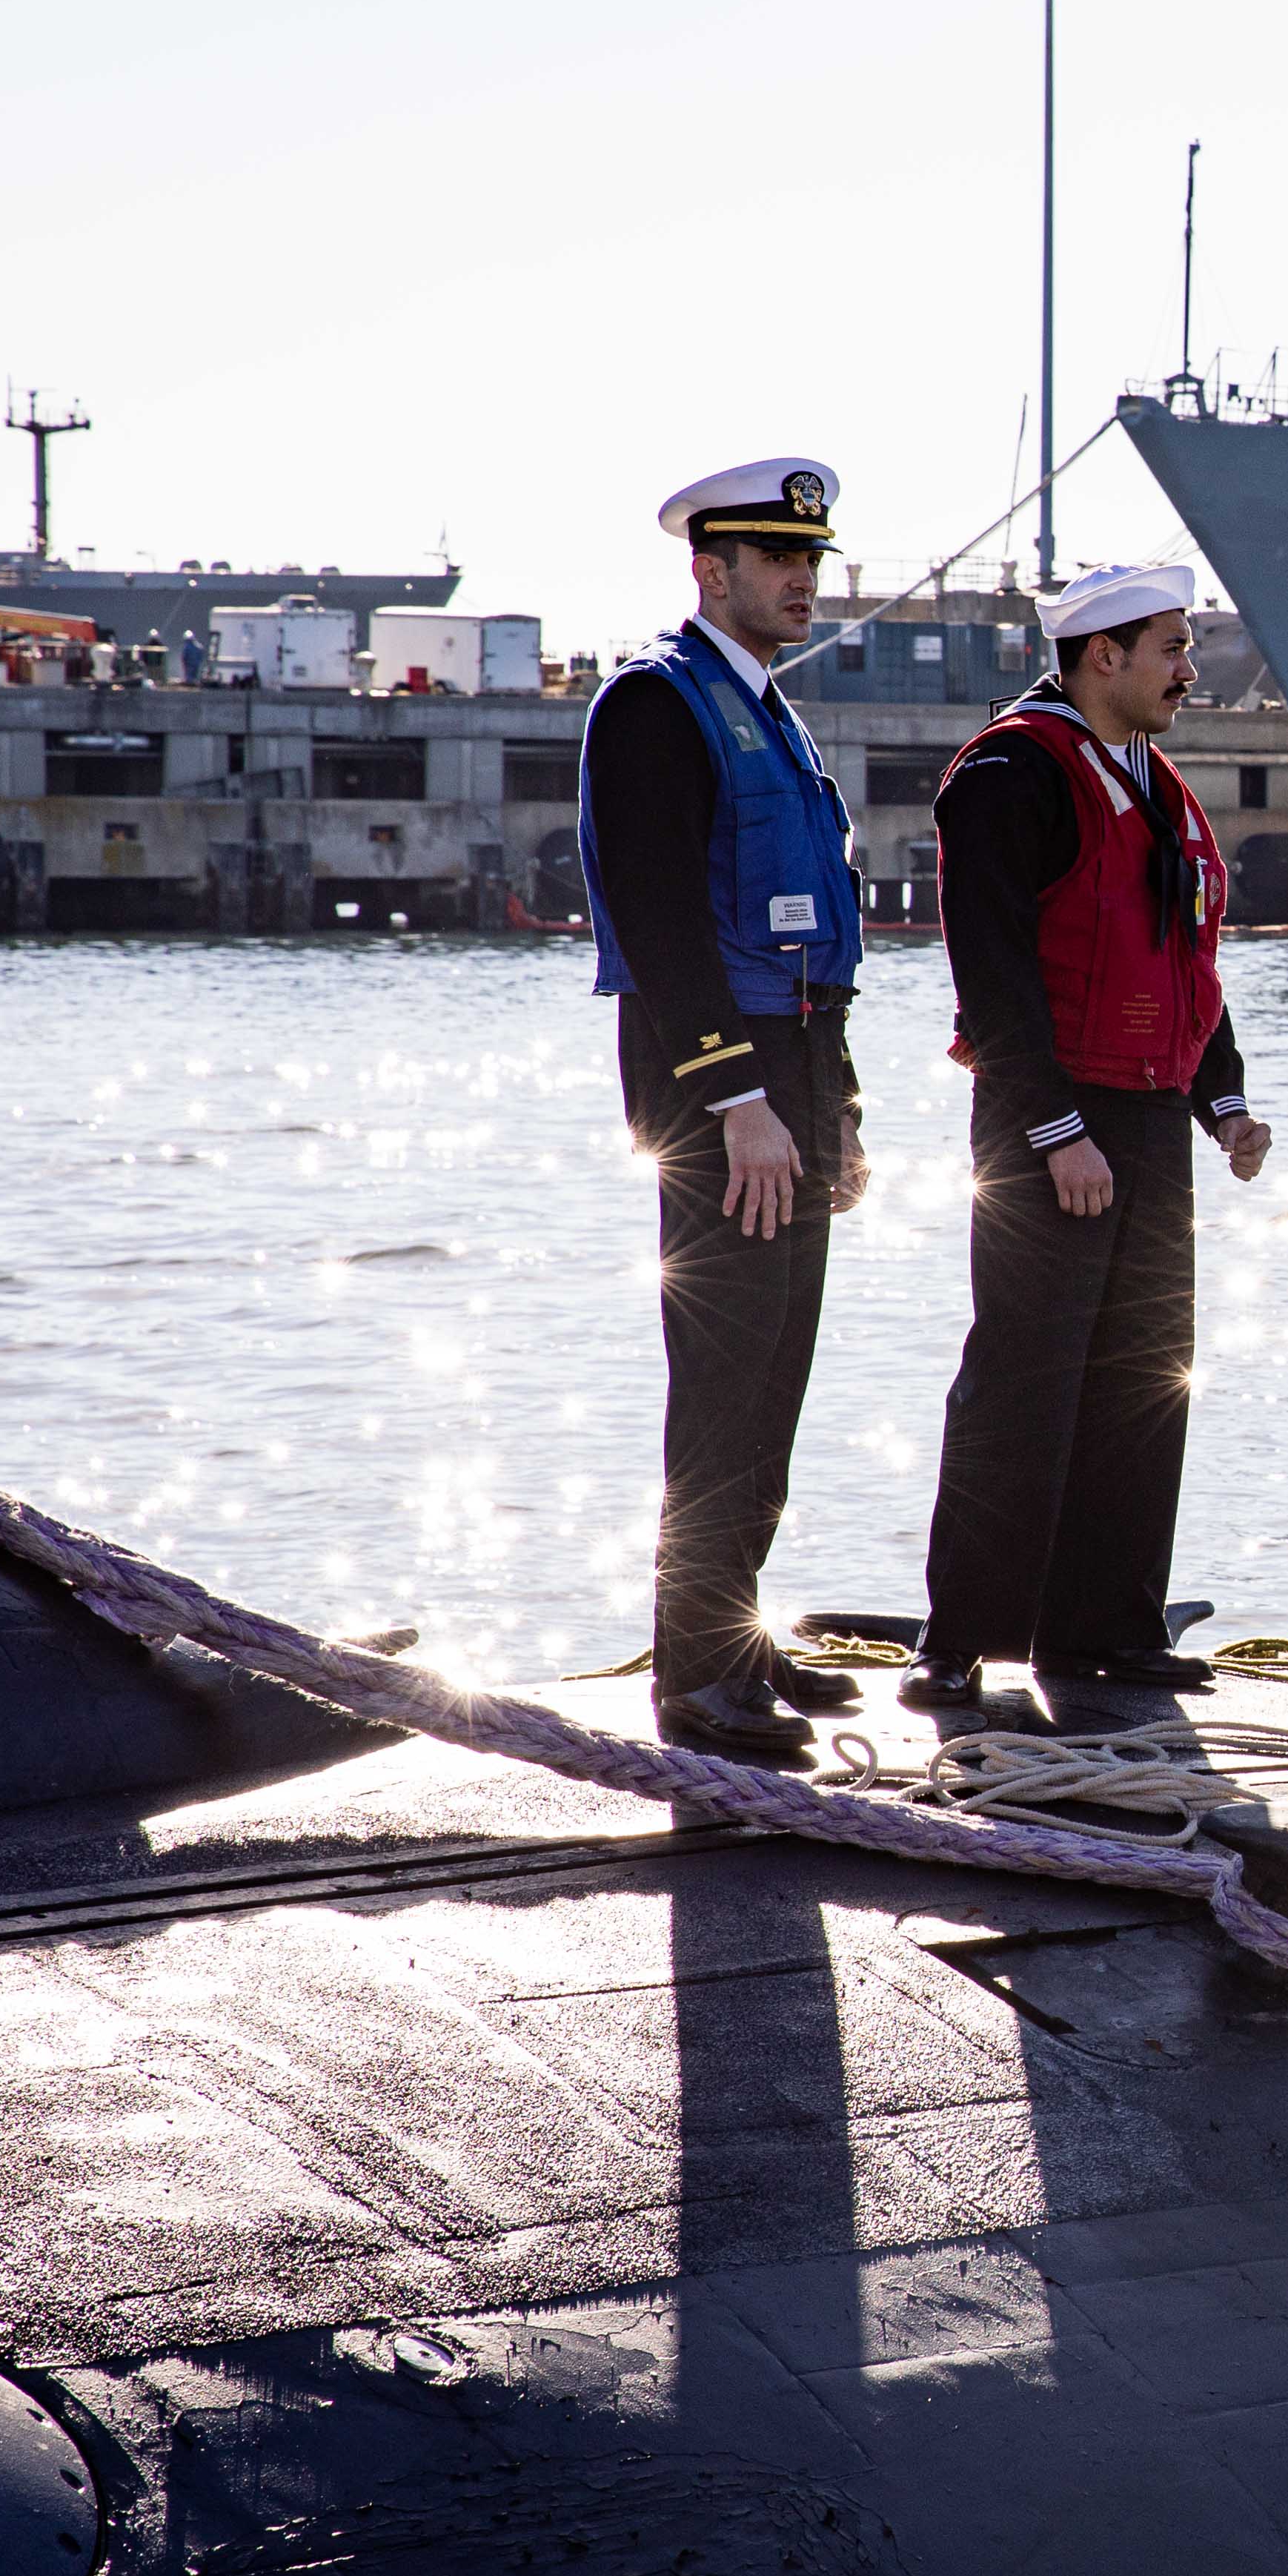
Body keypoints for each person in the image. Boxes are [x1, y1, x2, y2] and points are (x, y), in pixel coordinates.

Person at [898, 563, 1272, 1723]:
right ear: (1101, 655)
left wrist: (1223, 1102)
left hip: (1151, 1119)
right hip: (1051, 1120)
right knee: (1024, 1380)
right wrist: (1055, 1130)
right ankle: (959, 1642)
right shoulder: (1010, 774)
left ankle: (1106, 1628)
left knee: (1146, 1378)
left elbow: (1185, 957)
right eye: (1172, 646)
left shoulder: (1154, 779)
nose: (1189, 668)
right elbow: (994, 973)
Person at [574, 457, 874, 1763]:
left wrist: (836, 1106)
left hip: (790, 1076)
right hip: (723, 1094)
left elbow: (813, 945)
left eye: (811, 559)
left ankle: (737, 1633)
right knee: (722, 1381)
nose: (803, 579)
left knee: (774, 1377)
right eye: (778, 559)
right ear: (711, 570)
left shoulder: (768, 710)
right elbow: (660, 920)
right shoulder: (656, 703)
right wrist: (740, 1099)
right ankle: (696, 1676)